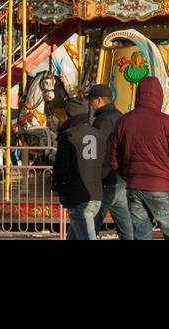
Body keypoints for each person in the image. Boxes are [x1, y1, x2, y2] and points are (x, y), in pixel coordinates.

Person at [108, 77, 169, 240]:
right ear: (159, 96)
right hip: (161, 186)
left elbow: (114, 159)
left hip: (134, 186)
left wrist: (129, 176)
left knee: (141, 234)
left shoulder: (123, 121)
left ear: (138, 95)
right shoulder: (167, 122)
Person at [52, 97, 108, 240]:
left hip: (77, 196)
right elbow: (106, 166)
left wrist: (58, 187)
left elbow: (61, 167)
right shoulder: (100, 135)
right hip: (97, 195)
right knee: (76, 235)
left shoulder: (68, 136)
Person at [88, 84, 133, 239]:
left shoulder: (100, 122)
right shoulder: (120, 116)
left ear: (99, 101)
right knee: (127, 228)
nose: (91, 105)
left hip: (105, 180)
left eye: (92, 101)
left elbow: (95, 153)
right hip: (121, 180)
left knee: (91, 226)